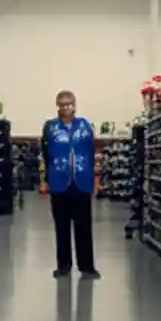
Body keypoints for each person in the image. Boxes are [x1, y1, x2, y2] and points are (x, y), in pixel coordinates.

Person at [42, 90, 100, 279]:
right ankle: (63, 265)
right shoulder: (50, 127)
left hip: (82, 181)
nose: (66, 107)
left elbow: (92, 154)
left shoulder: (85, 126)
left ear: (75, 105)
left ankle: (87, 266)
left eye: (69, 103)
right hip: (59, 182)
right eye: (62, 104)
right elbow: (44, 155)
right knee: (62, 226)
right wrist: (44, 180)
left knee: (84, 225)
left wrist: (95, 180)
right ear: (57, 106)